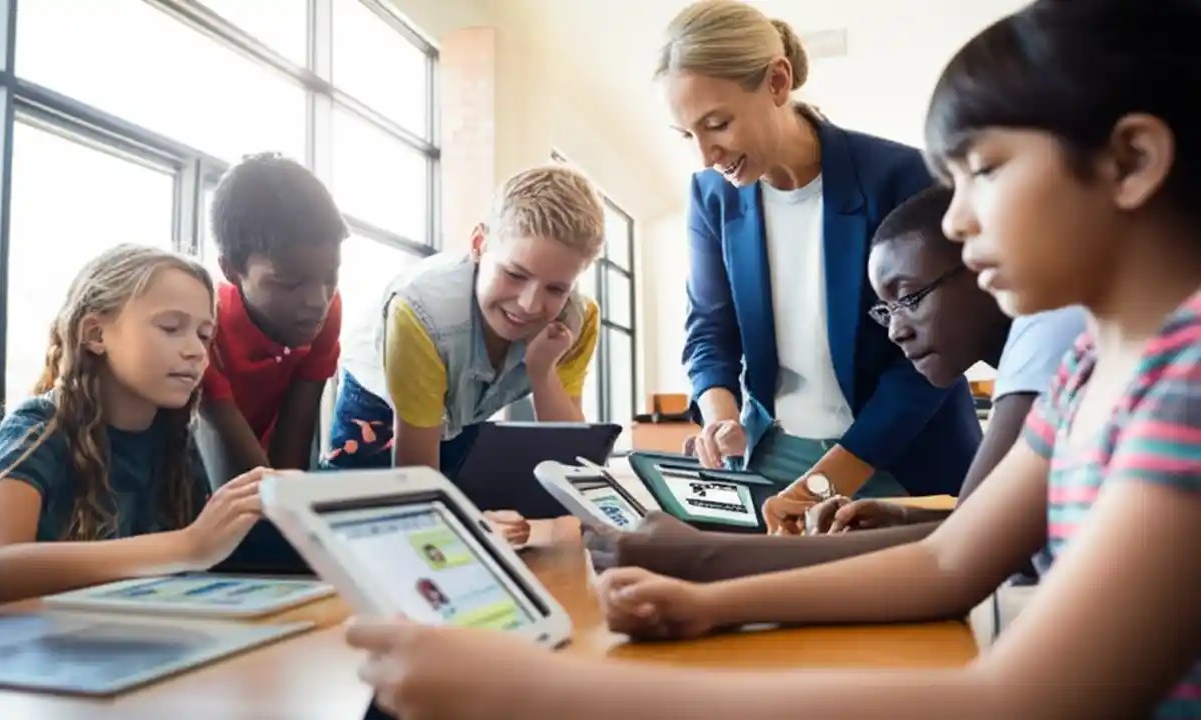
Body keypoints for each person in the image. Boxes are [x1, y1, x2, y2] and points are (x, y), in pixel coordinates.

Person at [344, 1, 1200, 716]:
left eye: (984, 171)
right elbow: (948, 559)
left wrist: (552, 693)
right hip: (783, 454)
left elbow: (1016, 699)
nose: (960, 219)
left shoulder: (1184, 387)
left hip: (890, 450)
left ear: (1130, 161)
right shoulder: (1085, 372)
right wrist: (711, 597)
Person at [584, 185, 1087, 581]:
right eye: (884, 309)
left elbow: (967, 546)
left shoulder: (1048, 333)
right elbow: (983, 523)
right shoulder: (1037, 349)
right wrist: (902, 518)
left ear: (981, 262)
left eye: (908, 297)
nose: (894, 329)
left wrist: (705, 556)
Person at [663, 0, 980, 529]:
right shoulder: (710, 196)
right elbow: (709, 330)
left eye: (717, 124)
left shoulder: (903, 178)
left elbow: (932, 359)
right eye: (686, 134)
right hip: (774, 460)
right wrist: (720, 415)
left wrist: (823, 485)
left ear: (777, 82)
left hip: (905, 461)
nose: (705, 155)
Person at [0, 246, 269, 602]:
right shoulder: (40, 426)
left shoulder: (174, 440)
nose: (197, 351)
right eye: (171, 327)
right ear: (95, 334)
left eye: (204, 335)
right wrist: (189, 544)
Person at [325, 165, 606, 545]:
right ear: (479, 244)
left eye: (556, 289)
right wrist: (470, 523)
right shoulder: (418, 313)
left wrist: (543, 372)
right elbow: (415, 479)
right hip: (377, 400)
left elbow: (570, 453)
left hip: (466, 406)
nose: (529, 304)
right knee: (367, 528)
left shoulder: (579, 320)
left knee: (463, 512)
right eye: (515, 274)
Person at [196, 153, 348, 482]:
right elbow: (241, 468)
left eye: (330, 276)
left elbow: (296, 438)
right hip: (198, 451)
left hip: (269, 443)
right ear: (232, 270)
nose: (317, 301)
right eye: (289, 282)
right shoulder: (204, 326)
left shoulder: (326, 310)